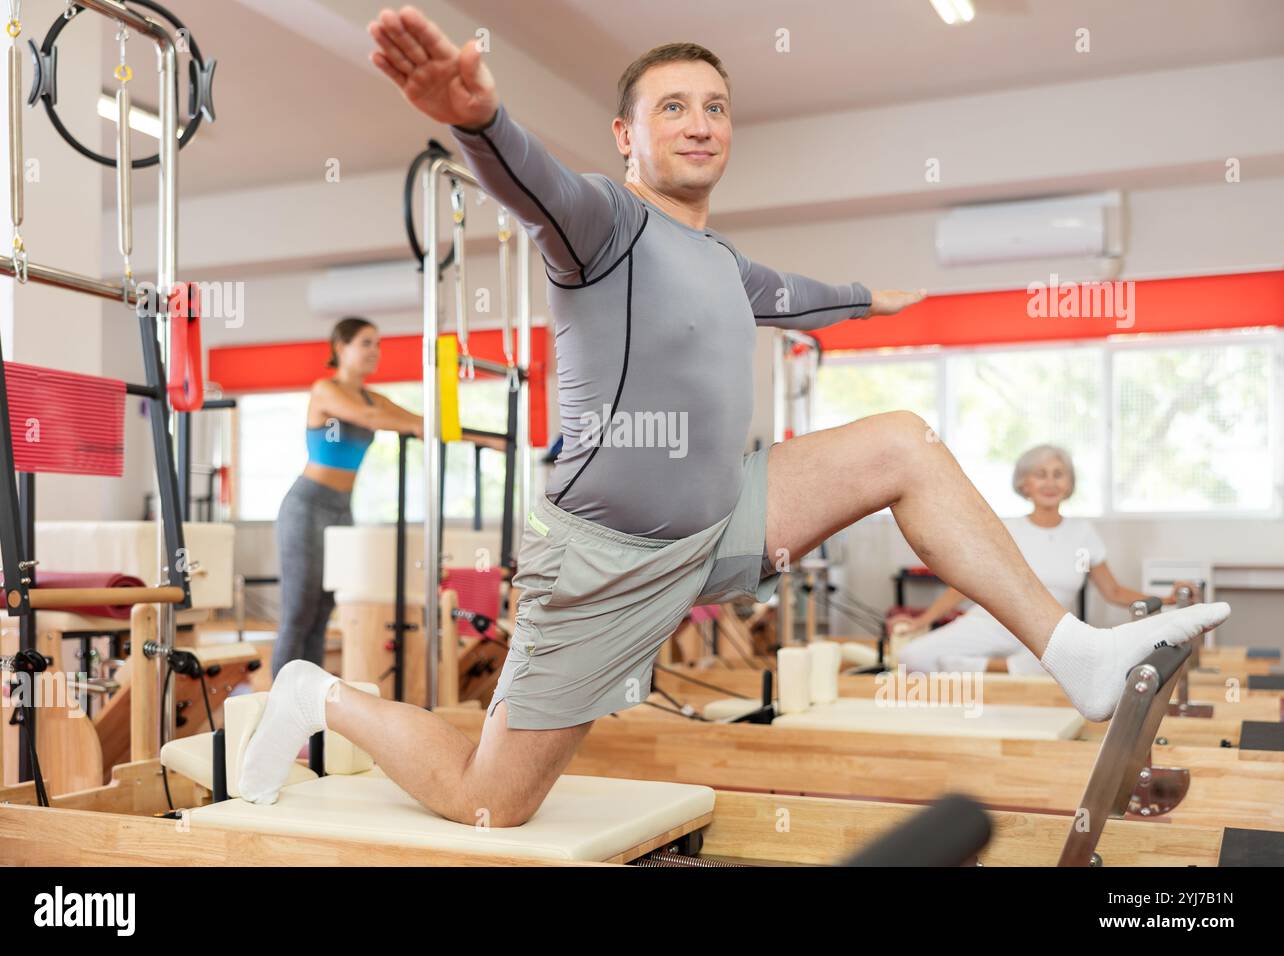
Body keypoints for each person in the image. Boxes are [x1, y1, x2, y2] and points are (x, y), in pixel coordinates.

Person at [238, 8, 1230, 828]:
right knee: (491, 800)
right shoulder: (604, 224)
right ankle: (310, 694)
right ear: (626, 134)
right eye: (672, 107)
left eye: (714, 106)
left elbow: (791, 293)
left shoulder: (719, 261)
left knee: (901, 444)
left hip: (720, 522)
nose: (701, 122)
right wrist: (480, 121)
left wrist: (868, 300)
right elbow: (534, 185)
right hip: (602, 558)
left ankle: (1074, 652)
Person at [892, 445, 1200, 675]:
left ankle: (975, 668)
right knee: (911, 657)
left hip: (1046, 633)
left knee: (1077, 668)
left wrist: (1166, 599)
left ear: (1068, 484)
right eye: (1040, 475)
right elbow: (964, 586)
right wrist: (923, 620)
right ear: (1024, 485)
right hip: (994, 622)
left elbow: (1114, 592)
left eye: (1058, 474)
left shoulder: (1083, 534)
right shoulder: (1006, 529)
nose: (1050, 482)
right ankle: (997, 668)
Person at [271, 317, 427, 676]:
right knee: (298, 611)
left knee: (325, 609)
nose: (375, 351)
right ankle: (279, 705)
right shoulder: (325, 389)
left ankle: (308, 704)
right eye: (366, 343)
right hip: (307, 504)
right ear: (341, 348)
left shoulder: (375, 397)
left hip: (342, 507)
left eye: (378, 344)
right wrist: (411, 424)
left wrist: (492, 439)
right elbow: (369, 417)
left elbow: (419, 420)